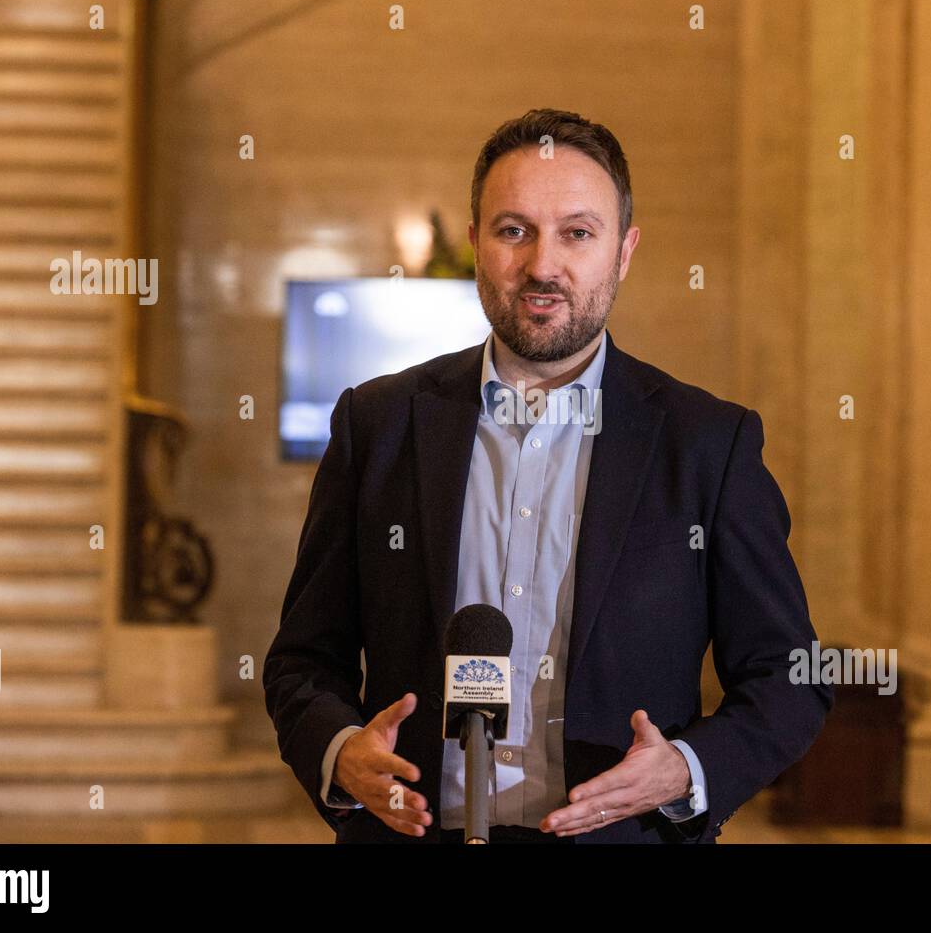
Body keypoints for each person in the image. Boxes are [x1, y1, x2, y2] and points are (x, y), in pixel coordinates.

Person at [263, 108, 833, 844]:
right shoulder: (376, 424)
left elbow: (791, 677)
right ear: (475, 244)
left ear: (624, 251)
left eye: (577, 232)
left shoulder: (707, 445)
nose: (541, 265)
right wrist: (341, 752)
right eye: (513, 230)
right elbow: (303, 660)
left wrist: (685, 768)